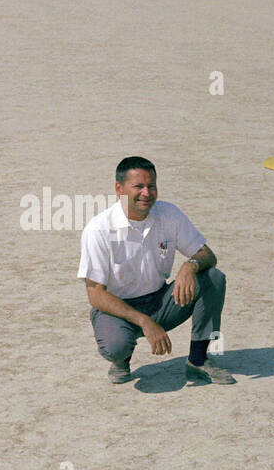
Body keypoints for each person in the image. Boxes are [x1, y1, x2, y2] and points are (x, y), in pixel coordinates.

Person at [79, 156, 235, 385]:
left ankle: (198, 360)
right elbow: (96, 295)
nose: (146, 193)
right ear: (118, 189)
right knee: (116, 346)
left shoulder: (168, 214)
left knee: (213, 278)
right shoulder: (98, 229)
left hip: (161, 302)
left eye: (151, 186)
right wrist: (144, 322)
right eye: (138, 186)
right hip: (117, 309)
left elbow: (208, 256)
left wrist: (190, 265)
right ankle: (121, 360)